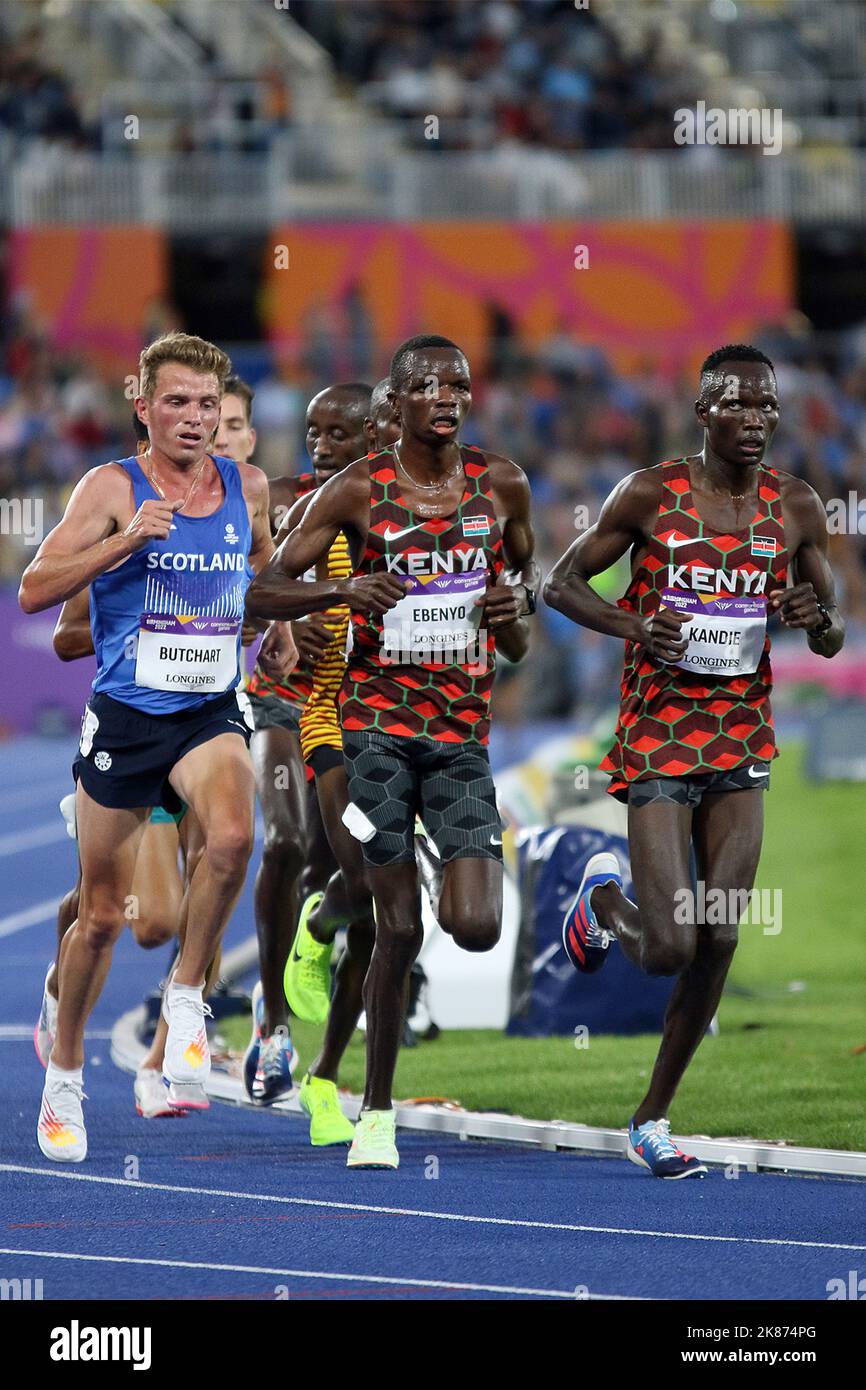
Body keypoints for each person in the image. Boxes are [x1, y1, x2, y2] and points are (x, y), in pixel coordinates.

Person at [544, 344, 844, 1179]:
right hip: (660, 733)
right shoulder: (649, 494)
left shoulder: (797, 505)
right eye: (735, 404)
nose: (753, 419)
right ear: (703, 409)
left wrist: (811, 613)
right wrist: (635, 627)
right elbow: (560, 584)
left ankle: (652, 1117)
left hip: (741, 735)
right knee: (671, 944)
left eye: (765, 406)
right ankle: (604, 901)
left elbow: (833, 629)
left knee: (719, 936)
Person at [247, 334, 538, 1169]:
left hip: (459, 738)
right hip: (366, 727)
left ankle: (348, 918)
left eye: (459, 383)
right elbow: (259, 592)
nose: (446, 396)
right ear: (397, 401)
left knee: (474, 925)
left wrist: (506, 611)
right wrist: (342, 589)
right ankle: (371, 1110)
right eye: (427, 385)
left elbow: (518, 631)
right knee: (394, 921)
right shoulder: (352, 494)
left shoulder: (502, 485)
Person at [19, 332, 296, 1162]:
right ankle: (64, 1076)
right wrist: (125, 541)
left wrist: (276, 630)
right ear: (143, 406)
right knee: (102, 917)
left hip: (207, 710)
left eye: (209, 405)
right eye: (177, 402)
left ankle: (185, 997)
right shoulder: (112, 485)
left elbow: (262, 565)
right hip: (128, 718)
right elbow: (36, 588)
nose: (195, 418)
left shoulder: (246, 484)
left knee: (237, 835)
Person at [241, 383, 373, 1103]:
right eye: (313, 433)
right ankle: (273, 1021)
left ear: (375, 437)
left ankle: (316, 964)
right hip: (283, 703)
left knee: (342, 873)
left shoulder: (395, 511)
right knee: (285, 841)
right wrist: (279, 628)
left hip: (363, 713)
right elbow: (246, 597)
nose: (320, 447)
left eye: (338, 435)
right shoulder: (280, 502)